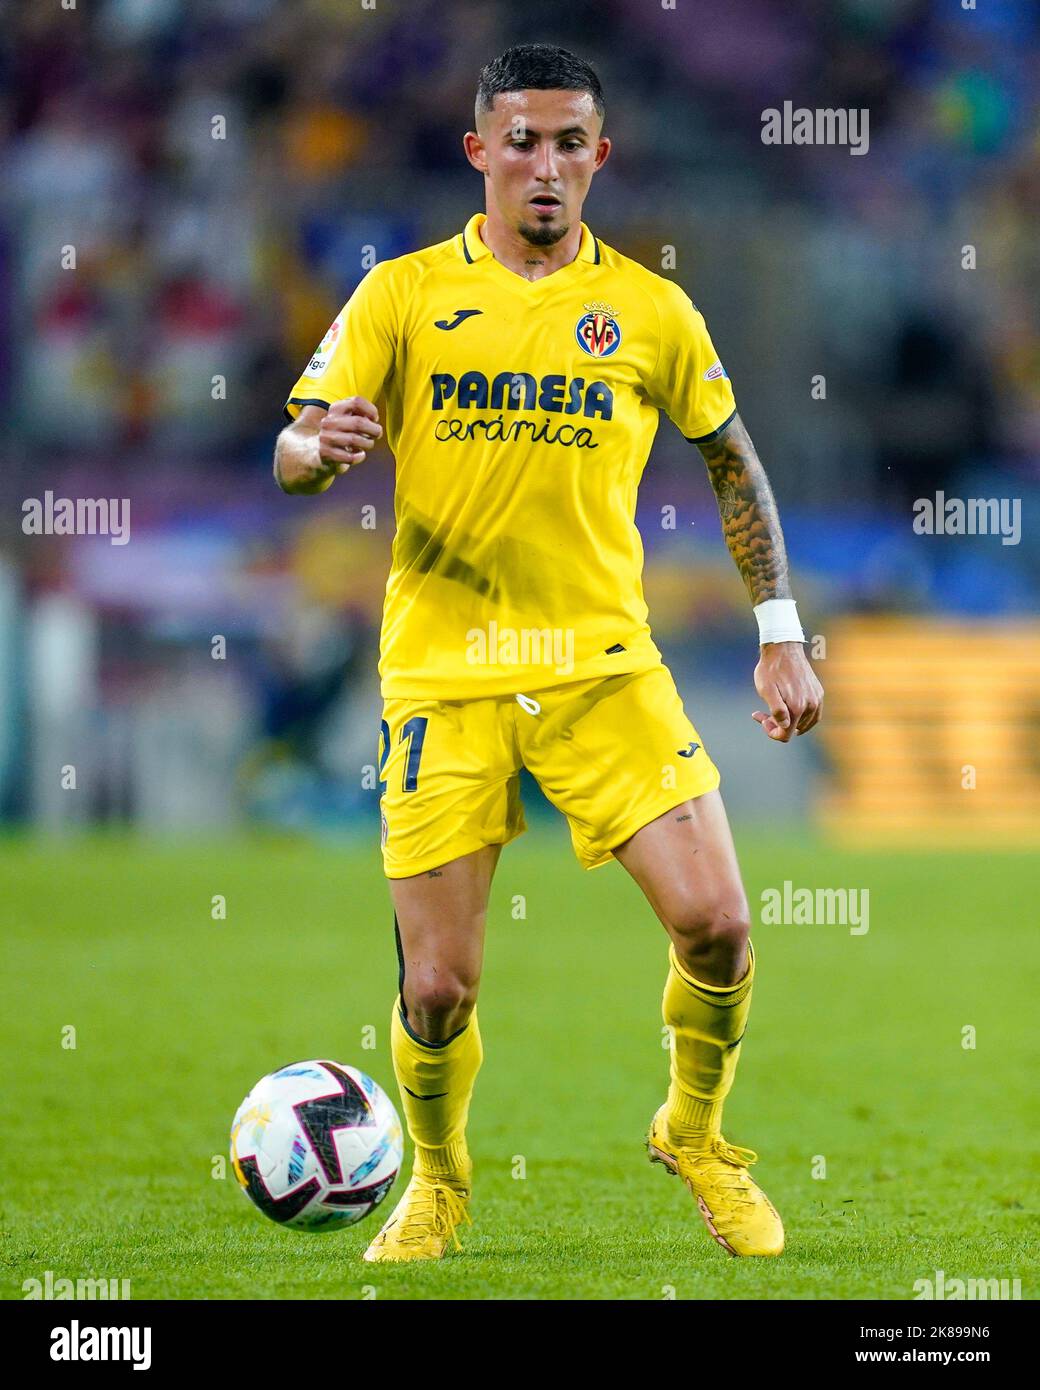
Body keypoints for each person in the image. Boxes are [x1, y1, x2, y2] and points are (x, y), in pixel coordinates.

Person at [274, 43, 823, 1262]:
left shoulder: (650, 309)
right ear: (477, 151)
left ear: (599, 159)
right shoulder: (402, 295)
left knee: (720, 925)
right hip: (443, 676)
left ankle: (695, 1131)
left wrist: (779, 636)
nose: (544, 164)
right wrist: (320, 452)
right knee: (436, 990)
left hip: (601, 670)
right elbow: (295, 446)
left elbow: (733, 463)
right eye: (519, 139)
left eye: (569, 141)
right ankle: (437, 1178)